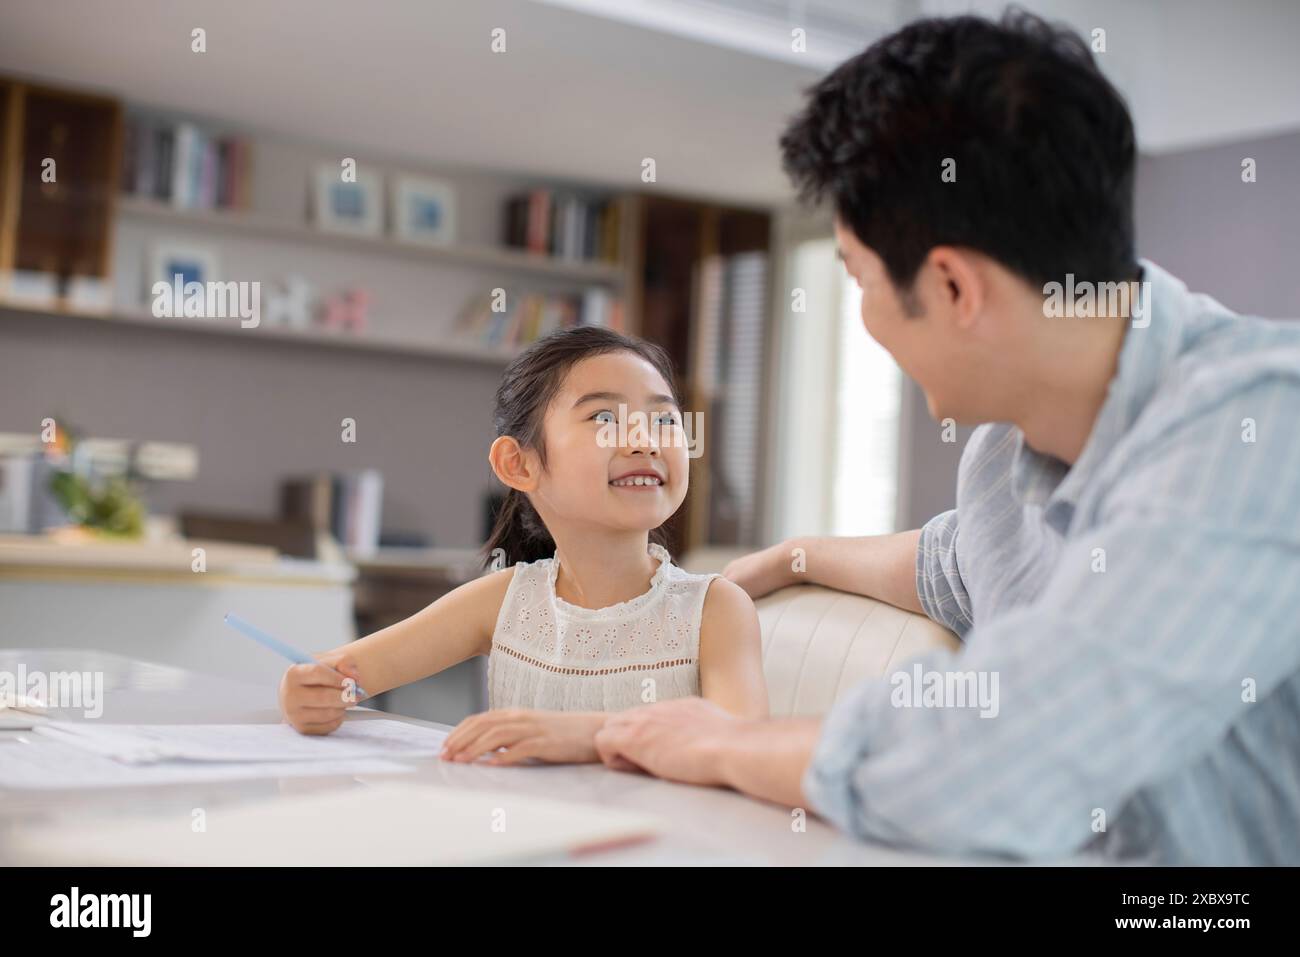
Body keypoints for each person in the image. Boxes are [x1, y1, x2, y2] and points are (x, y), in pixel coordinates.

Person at [592, 10, 1300, 865]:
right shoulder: (1007, 453)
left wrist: (718, 743)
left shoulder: (1258, 429)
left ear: (954, 286)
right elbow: (959, 561)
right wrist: (793, 557)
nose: (863, 317)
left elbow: (1002, 761)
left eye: (856, 278)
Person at [279, 325, 768, 763]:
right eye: (604, 418)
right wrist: (305, 692)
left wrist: (591, 735)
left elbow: (742, 750)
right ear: (519, 465)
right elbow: (340, 674)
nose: (644, 440)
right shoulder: (503, 600)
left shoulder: (716, 609)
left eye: (663, 420)